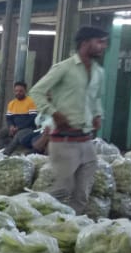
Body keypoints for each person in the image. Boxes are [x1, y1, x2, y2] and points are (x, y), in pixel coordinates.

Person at [29, 25, 107, 212]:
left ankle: (71, 227)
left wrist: (97, 115)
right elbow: (37, 91)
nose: (103, 46)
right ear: (85, 43)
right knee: (63, 189)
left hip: (86, 140)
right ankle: (30, 207)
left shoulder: (98, 72)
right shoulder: (64, 68)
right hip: (64, 140)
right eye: (99, 42)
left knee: (82, 193)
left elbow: (95, 98)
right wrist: (53, 112)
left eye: (104, 42)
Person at [0, 82, 39, 154]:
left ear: (25, 91)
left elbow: (32, 118)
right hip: (14, 128)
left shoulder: (31, 102)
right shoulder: (11, 103)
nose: (18, 93)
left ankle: (5, 154)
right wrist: (11, 126)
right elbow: (9, 118)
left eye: (21, 91)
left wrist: (18, 128)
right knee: (0, 134)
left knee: (18, 135)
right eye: (16, 91)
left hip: (28, 128)